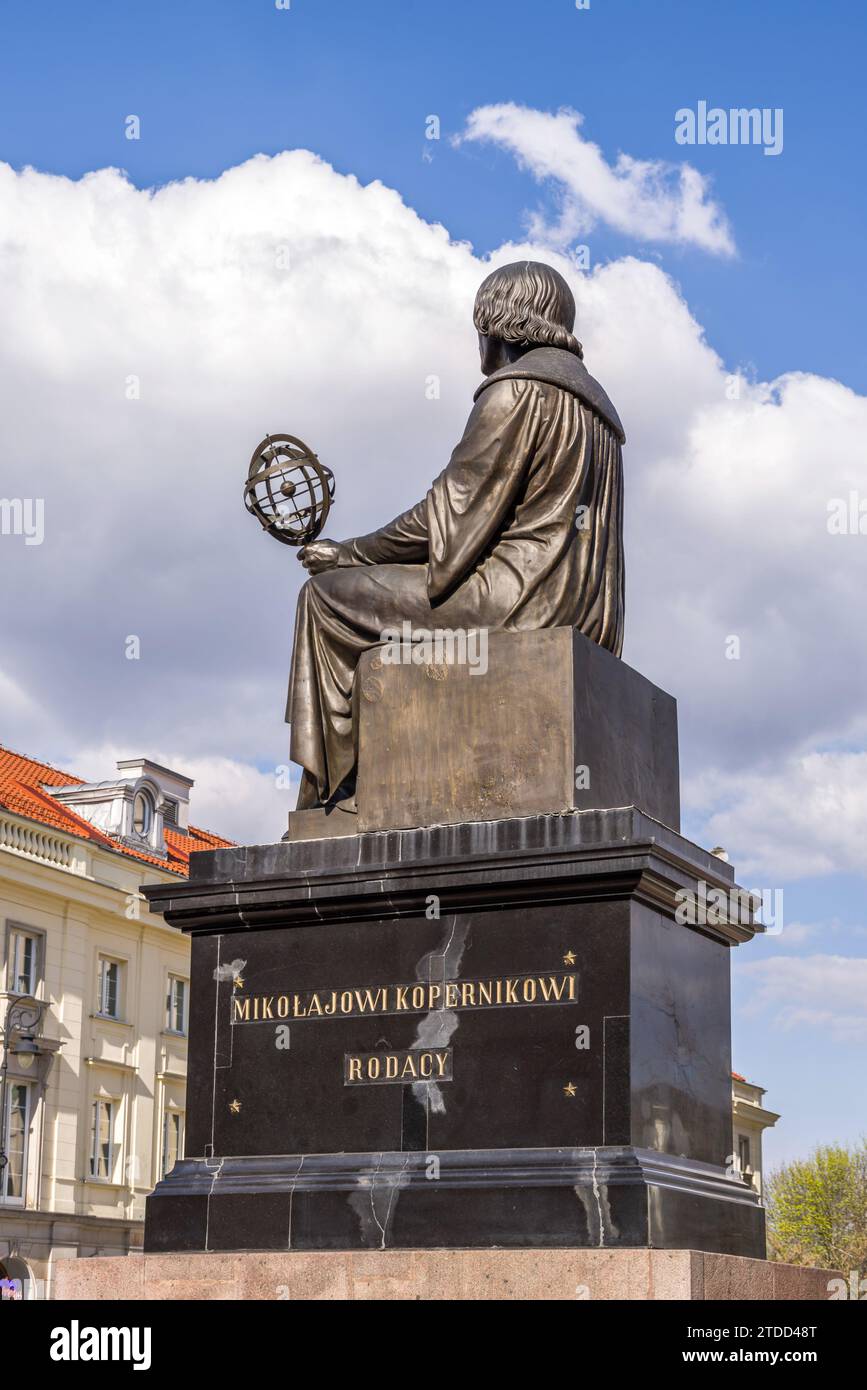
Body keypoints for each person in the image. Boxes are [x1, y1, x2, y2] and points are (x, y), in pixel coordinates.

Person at [287, 260, 625, 810]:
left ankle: (342, 794)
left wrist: (347, 554)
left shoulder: (516, 392)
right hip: (580, 610)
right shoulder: (597, 411)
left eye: (479, 327)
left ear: (498, 322)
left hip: (516, 600)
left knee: (325, 600)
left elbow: (447, 514)